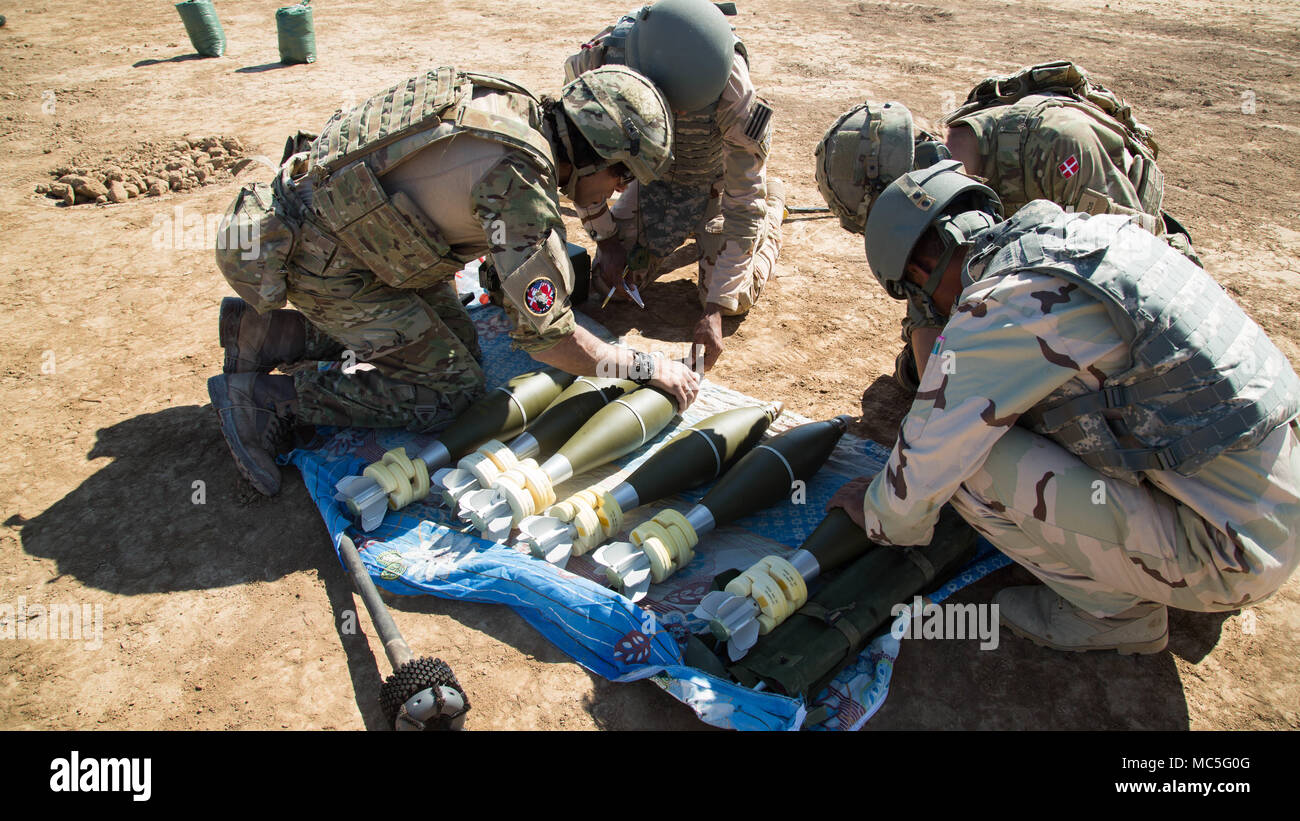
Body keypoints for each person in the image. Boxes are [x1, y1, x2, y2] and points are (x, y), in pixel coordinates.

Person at [829, 161, 1300, 654]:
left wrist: (877, 509)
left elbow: (922, 472)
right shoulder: (1086, 236)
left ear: (921, 270)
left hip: (1233, 554)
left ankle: (1116, 615)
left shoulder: (1003, 305)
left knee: (967, 463)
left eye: (914, 294)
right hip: (1268, 496)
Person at [208, 65, 701, 496]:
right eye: (621, 176)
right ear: (594, 153)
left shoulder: (508, 104)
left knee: (460, 347)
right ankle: (269, 402)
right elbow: (549, 339)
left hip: (351, 234)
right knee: (450, 393)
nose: (619, 190)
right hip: (324, 261)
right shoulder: (519, 187)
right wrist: (643, 366)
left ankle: (269, 335)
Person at [815, 61, 1199, 391]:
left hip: (1131, 273)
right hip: (1042, 271)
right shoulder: (926, 207)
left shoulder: (1057, 147)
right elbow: (930, 321)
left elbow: (1134, 273)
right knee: (922, 375)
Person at [565, 0, 785, 372]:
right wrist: (607, 239)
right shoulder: (602, 63)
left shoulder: (734, 90)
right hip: (654, 183)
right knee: (611, 285)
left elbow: (744, 204)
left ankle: (776, 206)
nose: (678, 117)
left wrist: (715, 310)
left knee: (732, 299)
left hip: (717, 186)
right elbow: (581, 163)